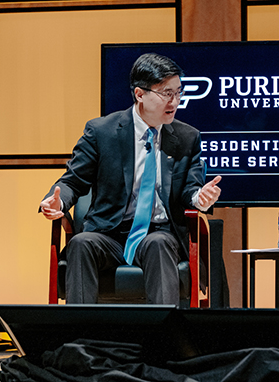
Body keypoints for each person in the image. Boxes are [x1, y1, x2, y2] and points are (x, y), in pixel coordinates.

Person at [39, 53, 222, 305]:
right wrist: (56, 203)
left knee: (159, 243)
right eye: (166, 93)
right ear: (139, 94)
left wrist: (199, 198)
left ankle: (166, 339)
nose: (175, 101)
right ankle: (79, 339)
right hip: (108, 234)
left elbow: (191, 189)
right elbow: (72, 181)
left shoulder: (186, 137)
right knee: (81, 243)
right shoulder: (102, 131)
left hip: (157, 234)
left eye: (178, 92)